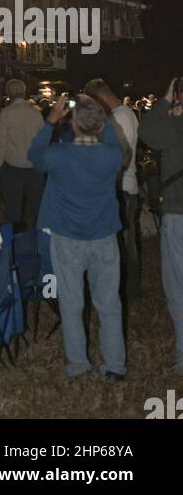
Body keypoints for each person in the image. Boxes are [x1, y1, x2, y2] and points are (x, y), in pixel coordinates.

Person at [28, 93, 126, 380]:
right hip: (104, 236)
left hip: (67, 237)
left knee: (71, 303)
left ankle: (79, 364)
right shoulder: (112, 154)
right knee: (109, 303)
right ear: (100, 125)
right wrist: (98, 111)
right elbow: (111, 137)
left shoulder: (58, 154)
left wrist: (49, 121)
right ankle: (116, 366)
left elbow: (33, 155)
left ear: (73, 126)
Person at [139, 76, 183, 371]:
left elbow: (146, 131)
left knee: (177, 284)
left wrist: (166, 101)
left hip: (179, 213)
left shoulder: (173, 128)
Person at [83, 77, 139, 300]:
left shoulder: (120, 118)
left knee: (122, 245)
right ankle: (127, 289)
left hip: (121, 187)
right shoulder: (125, 114)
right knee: (124, 243)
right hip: (123, 186)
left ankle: (125, 289)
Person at [0, 80, 44, 228]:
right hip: (34, 166)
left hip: (12, 166)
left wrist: (0, 163)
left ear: (9, 93)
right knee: (37, 208)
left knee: (12, 209)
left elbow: (0, 141)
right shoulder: (36, 113)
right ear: (24, 92)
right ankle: (38, 242)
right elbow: (43, 140)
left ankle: (14, 242)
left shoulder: (6, 113)